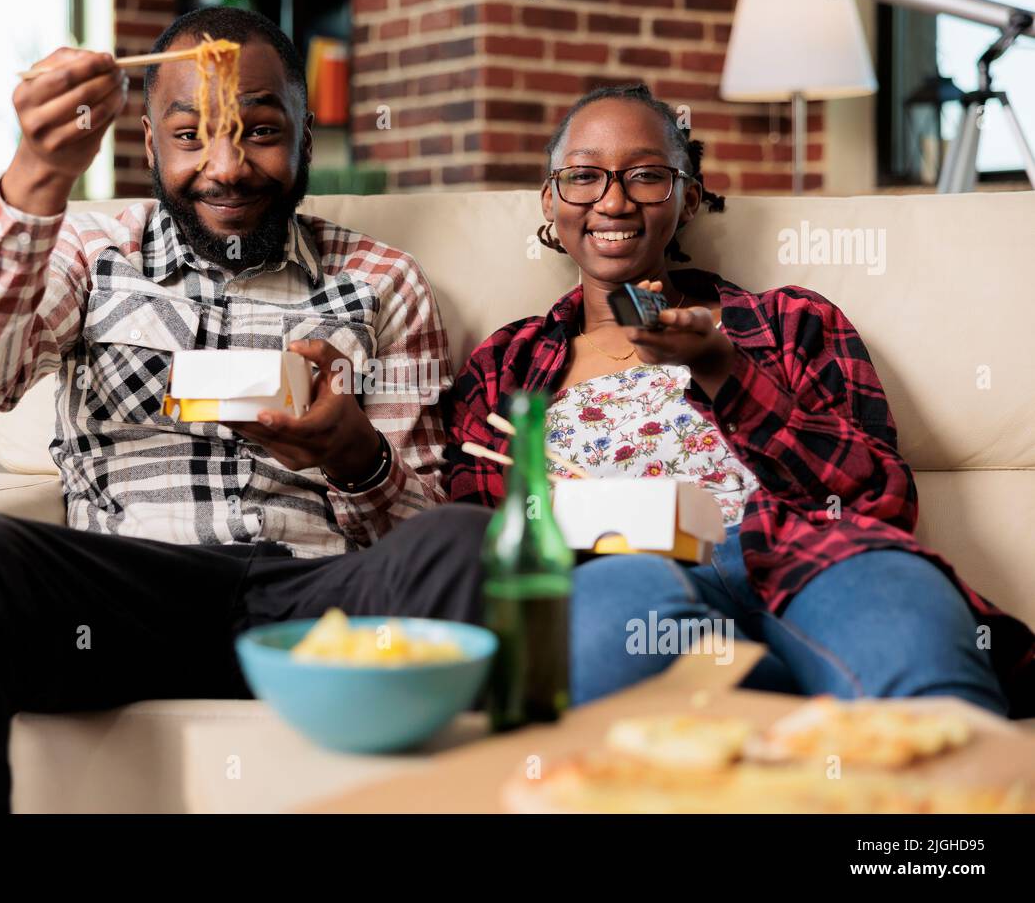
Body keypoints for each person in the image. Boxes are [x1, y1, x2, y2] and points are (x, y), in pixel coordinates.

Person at [0, 6, 489, 813]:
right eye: (190, 136)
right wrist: (38, 172)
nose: (226, 168)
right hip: (129, 599)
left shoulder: (381, 279)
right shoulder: (90, 253)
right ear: (150, 143)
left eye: (260, 131)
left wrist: (352, 454)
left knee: (467, 543)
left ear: (304, 141)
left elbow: (420, 524)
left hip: (314, 605)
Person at [444, 82, 1035, 720]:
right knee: (602, 679)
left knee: (930, 712)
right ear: (550, 200)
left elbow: (879, 496)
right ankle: (779, 691)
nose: (612, 201)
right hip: (623, 577)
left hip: (809, 556)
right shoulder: (507, 366)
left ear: (687, 198)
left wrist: (723, 372)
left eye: (646, 176)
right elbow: (487, 546)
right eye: (583, 176)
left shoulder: (789, 322)